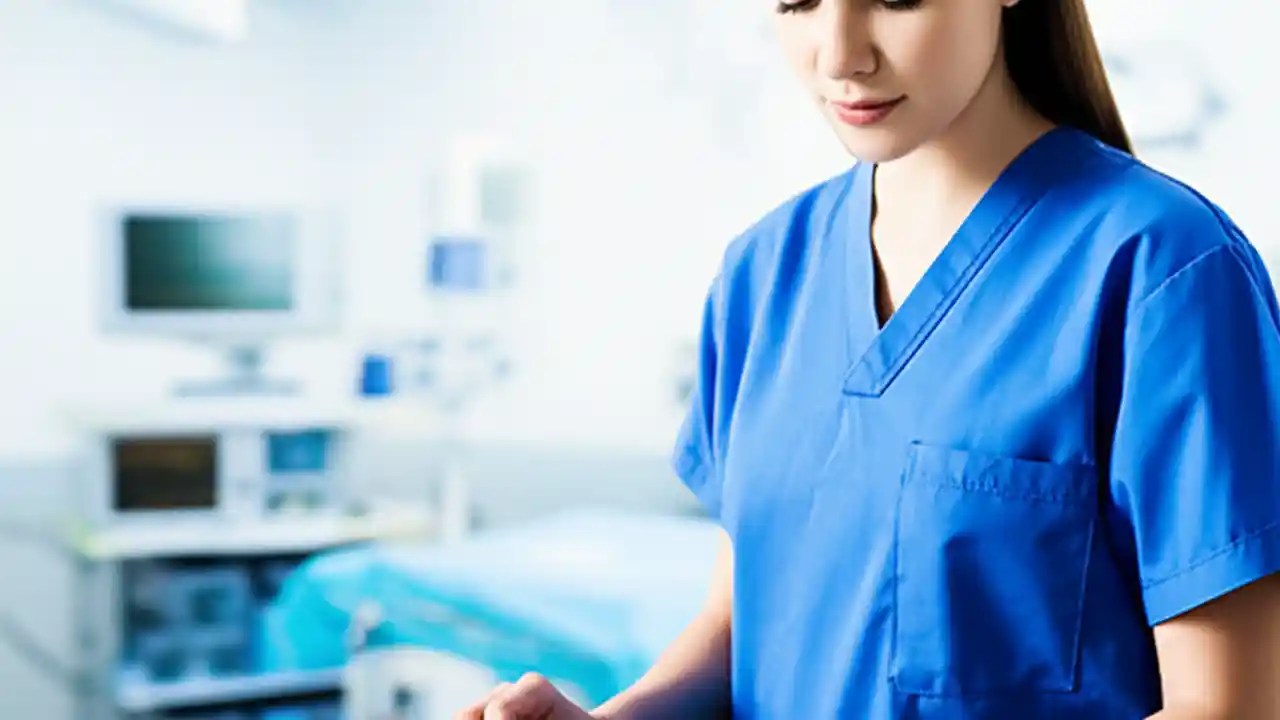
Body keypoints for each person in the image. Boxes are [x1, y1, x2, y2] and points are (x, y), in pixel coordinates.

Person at [459, 0, 1280, 717]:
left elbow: (1232, 703)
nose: (839, 53)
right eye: (799, 1)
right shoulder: (764, 274)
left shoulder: (1162, 270)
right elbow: (739, 628)